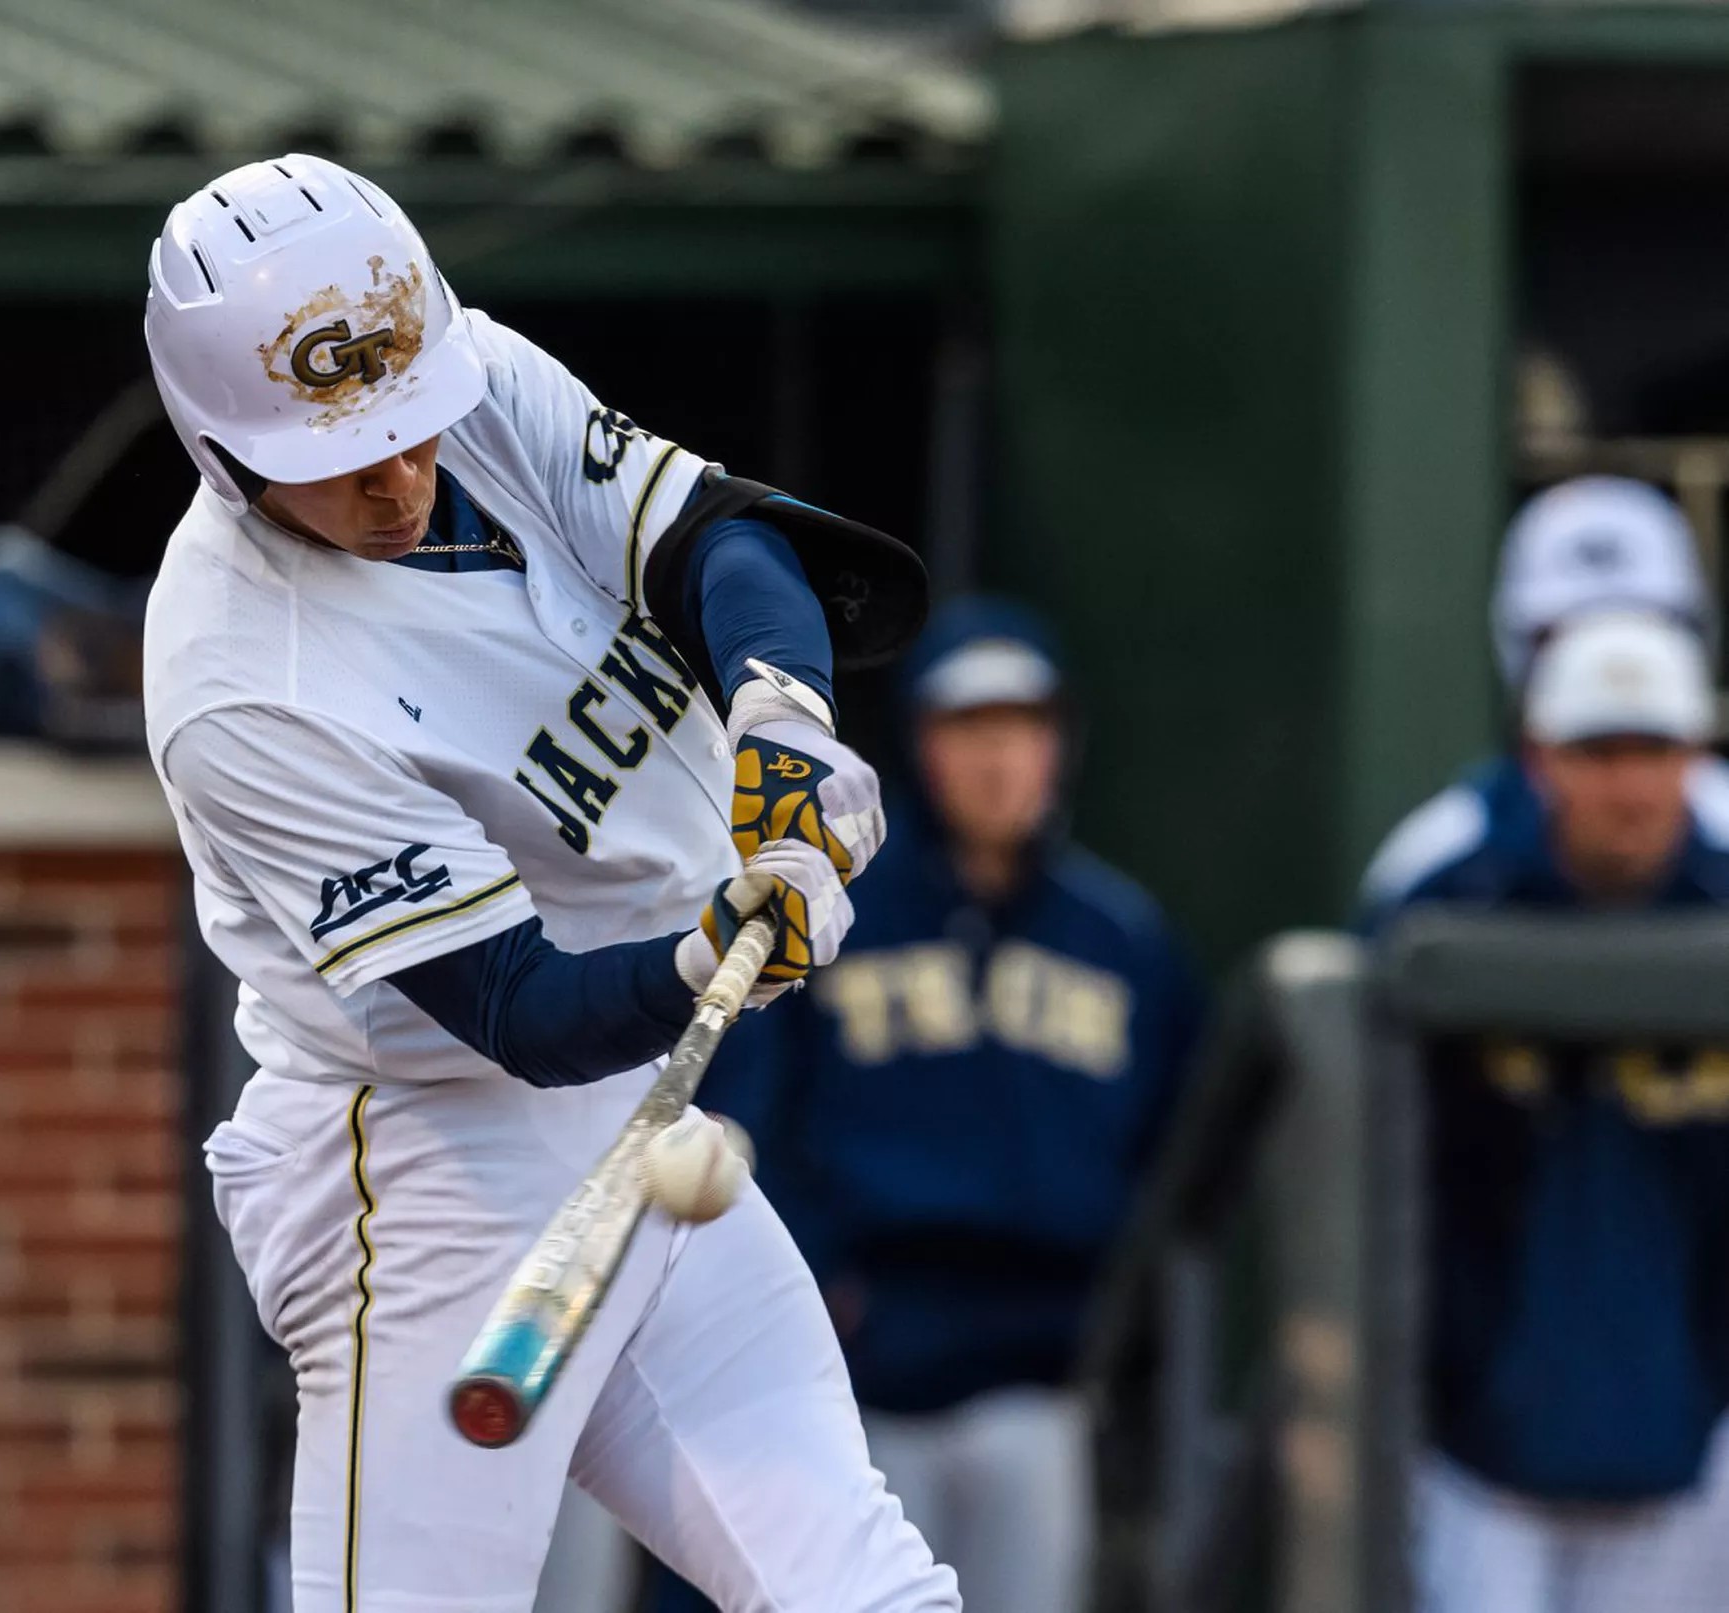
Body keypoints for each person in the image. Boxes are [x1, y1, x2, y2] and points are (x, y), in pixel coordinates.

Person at [140, 154, 957, 1610]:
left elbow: (724, 540)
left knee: (865, 1591)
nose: (400, 477)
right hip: (421, 1152)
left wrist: (781, 715)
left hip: (627, 1112)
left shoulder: (467, 376)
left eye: (410, 426)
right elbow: (509, 1006)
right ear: (227, 450)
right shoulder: (235, 682)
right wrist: (712, 954)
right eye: (342, 455)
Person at [654, 596, 1205, 1613]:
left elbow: (1178, 1175)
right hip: (856, 1373)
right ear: (919, 746)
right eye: (968, 730)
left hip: (1041, 1377)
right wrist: (813, 1284)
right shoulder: (832, 920)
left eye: (1021, 729)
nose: (998, 760)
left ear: (1058, 746)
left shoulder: (1121, 939)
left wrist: (1118, 1336)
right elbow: (751, 1117)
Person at [1359, 609, 1729, 1613]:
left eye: (1654, 748)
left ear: (1695, 754)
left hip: (1693, 1450)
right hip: (1477, 1458)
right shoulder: (1449, 897)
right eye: (1596, 750)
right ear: (1538, 759)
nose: (1628, 783)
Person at [1361, 476, 1729, 908]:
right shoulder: (1440, 860)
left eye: (1645, 624)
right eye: (1561, 635)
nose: (1631, 788)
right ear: (1540, 753)